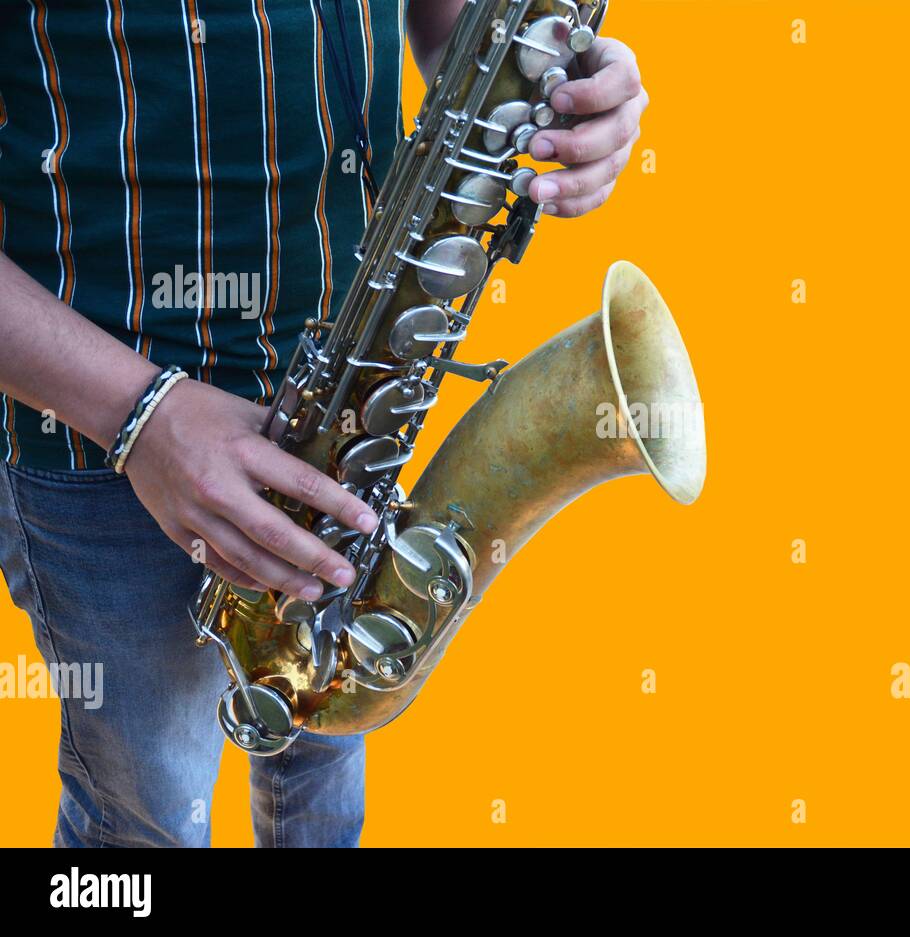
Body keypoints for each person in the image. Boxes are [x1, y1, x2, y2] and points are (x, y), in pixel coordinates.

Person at [0, 0, 648, 848]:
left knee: (325, 763)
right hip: (99, 439)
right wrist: (138, 416)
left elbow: (452, 23)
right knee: (142, 822)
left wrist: (560, 90)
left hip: (354, 391)